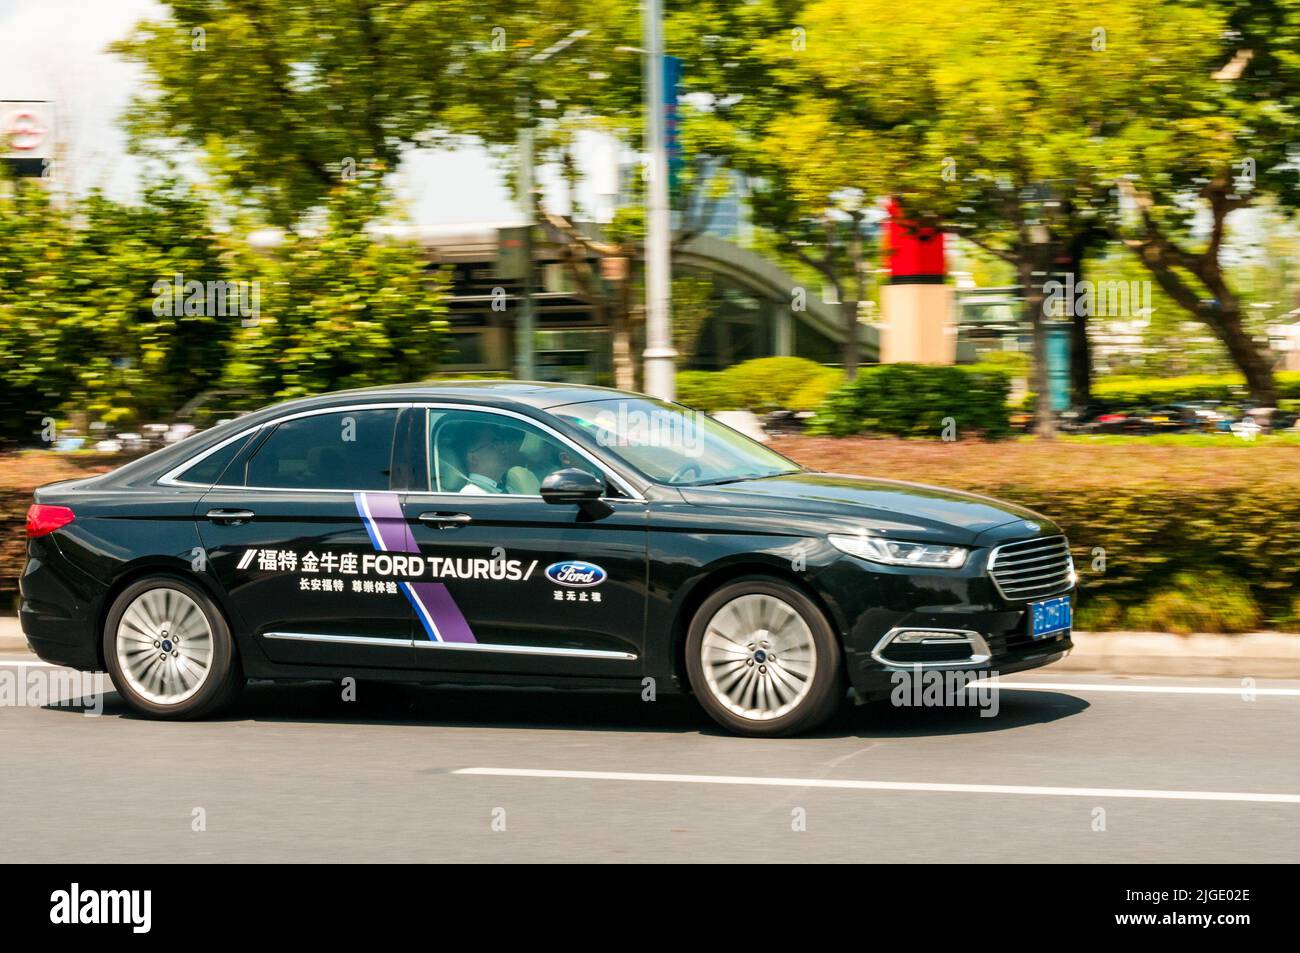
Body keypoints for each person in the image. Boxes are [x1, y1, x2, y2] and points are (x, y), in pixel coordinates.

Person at [459, 425, 540, 495]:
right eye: (494, 444)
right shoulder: (472, 495)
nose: (503, 448)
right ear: (473, 458)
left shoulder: (509, 490)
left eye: (501, 443)